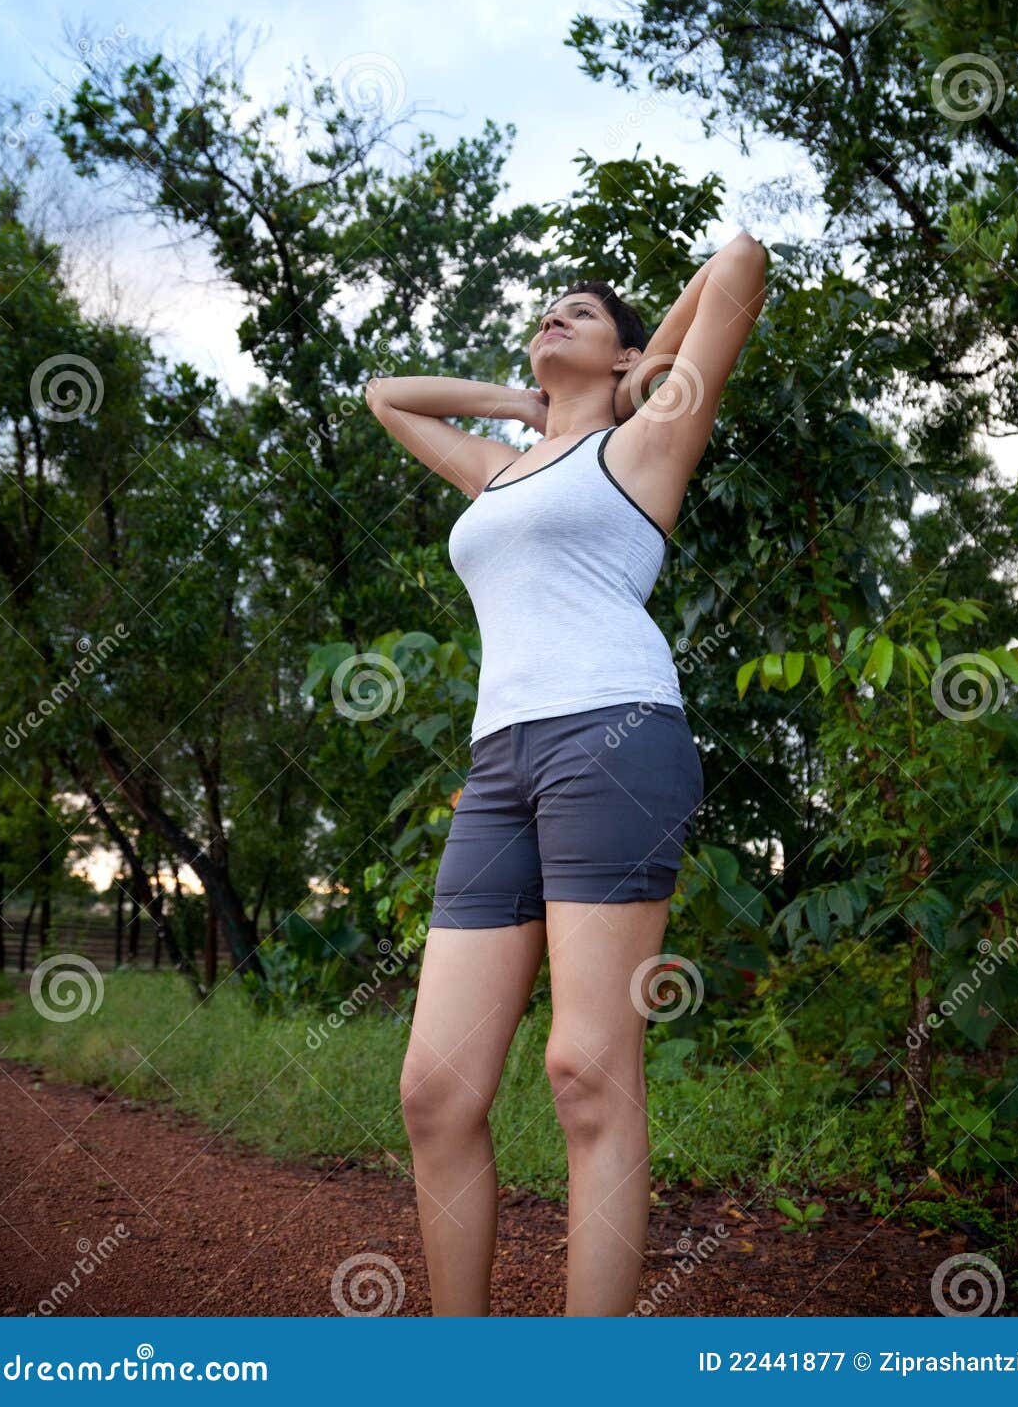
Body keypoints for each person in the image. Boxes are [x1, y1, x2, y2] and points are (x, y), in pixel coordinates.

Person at [365, 232, 767, 1316]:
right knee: (434, 1091)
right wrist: (526, 397)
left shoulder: (647, 446)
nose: (552, 315)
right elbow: (386, 395)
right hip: (497, 766)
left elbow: (741, 260)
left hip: (613, 738)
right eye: (545, 307)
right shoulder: (501, 468)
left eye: (579, 314)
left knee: (585, 1074)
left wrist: (651, 366)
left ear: (626, 354)